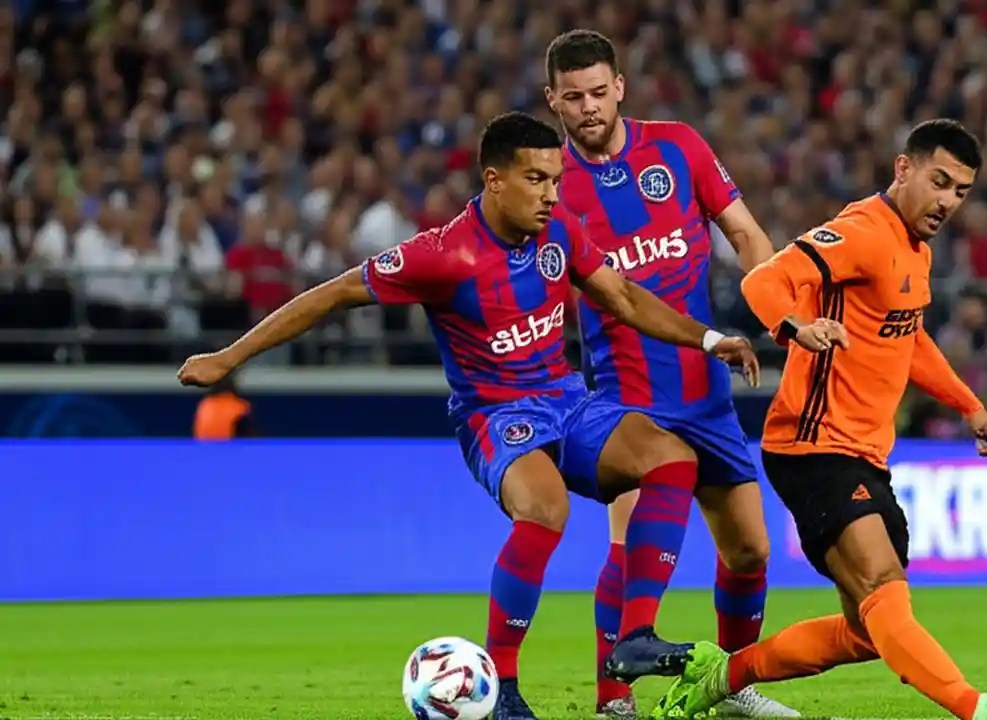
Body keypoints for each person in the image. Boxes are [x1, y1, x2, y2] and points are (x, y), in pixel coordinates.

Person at [176, 112, 760, 720]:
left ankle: (636, 637)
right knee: (546, 508)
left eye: (556, 179)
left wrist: (708, 339)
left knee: (671, 457)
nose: (551, 194)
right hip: (496, 414)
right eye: (536, 180)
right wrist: (229, 356)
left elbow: (623, 297)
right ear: (494, 179)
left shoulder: (559, 228)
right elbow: (332, 293)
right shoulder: (442, 255)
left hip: (565, 398)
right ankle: (503, 687)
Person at [651, 120, 987, 720]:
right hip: (813, 446)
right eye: (939, 182)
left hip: (864, 452)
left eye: (961, 192)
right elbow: (766, 279)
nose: (947, 201)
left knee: (866, 631)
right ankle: (979, 709)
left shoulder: (916, 249)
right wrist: (795, 327)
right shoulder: (863, 231)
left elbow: (907, 336)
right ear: (903, 169)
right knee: (881, 581)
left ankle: (721, 676)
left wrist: (969, 405)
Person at [543, 29, 797, 720]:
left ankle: (731, 684)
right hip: (629, 397)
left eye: (600, 92)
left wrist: (777, 309)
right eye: (574, 98)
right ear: (553, 102)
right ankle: (613, 698)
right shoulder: (551, 189)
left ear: (621, 86)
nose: (590, 107)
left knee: (749, 551)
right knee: (627, 547)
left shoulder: (678, 147)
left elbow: (745, 233)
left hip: (705, 391)